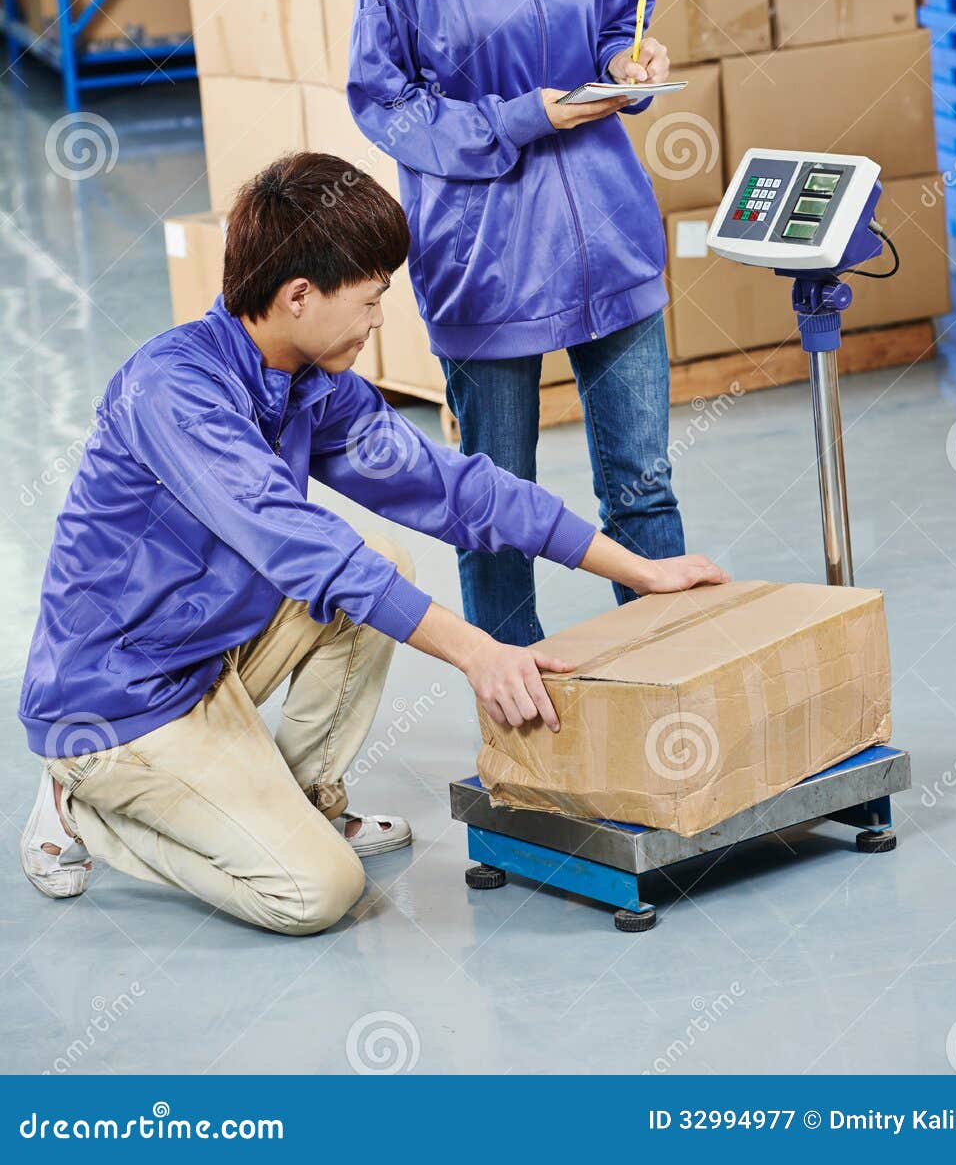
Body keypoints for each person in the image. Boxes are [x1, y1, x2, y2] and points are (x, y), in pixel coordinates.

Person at [18, 154, 727, 936]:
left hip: (206, 659)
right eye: (371, 297)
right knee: (318, 893)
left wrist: (640, 568)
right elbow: (306, 550)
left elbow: (453, 489)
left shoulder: (307, 384)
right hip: (119, 703)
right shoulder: (176, 392)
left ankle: (301, 808)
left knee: (383, 569)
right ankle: (82, 806)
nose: (379, 318)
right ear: (298, 297)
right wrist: (477, 652)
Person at [349, 0, 687, 649]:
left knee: (643, 484)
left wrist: (632, 62)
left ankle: (668, 689)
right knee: (495, 498)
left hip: (611, 240)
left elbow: (625, 16)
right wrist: (521, 117)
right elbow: (386, 104)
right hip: (486, 258)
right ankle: (521, 722)